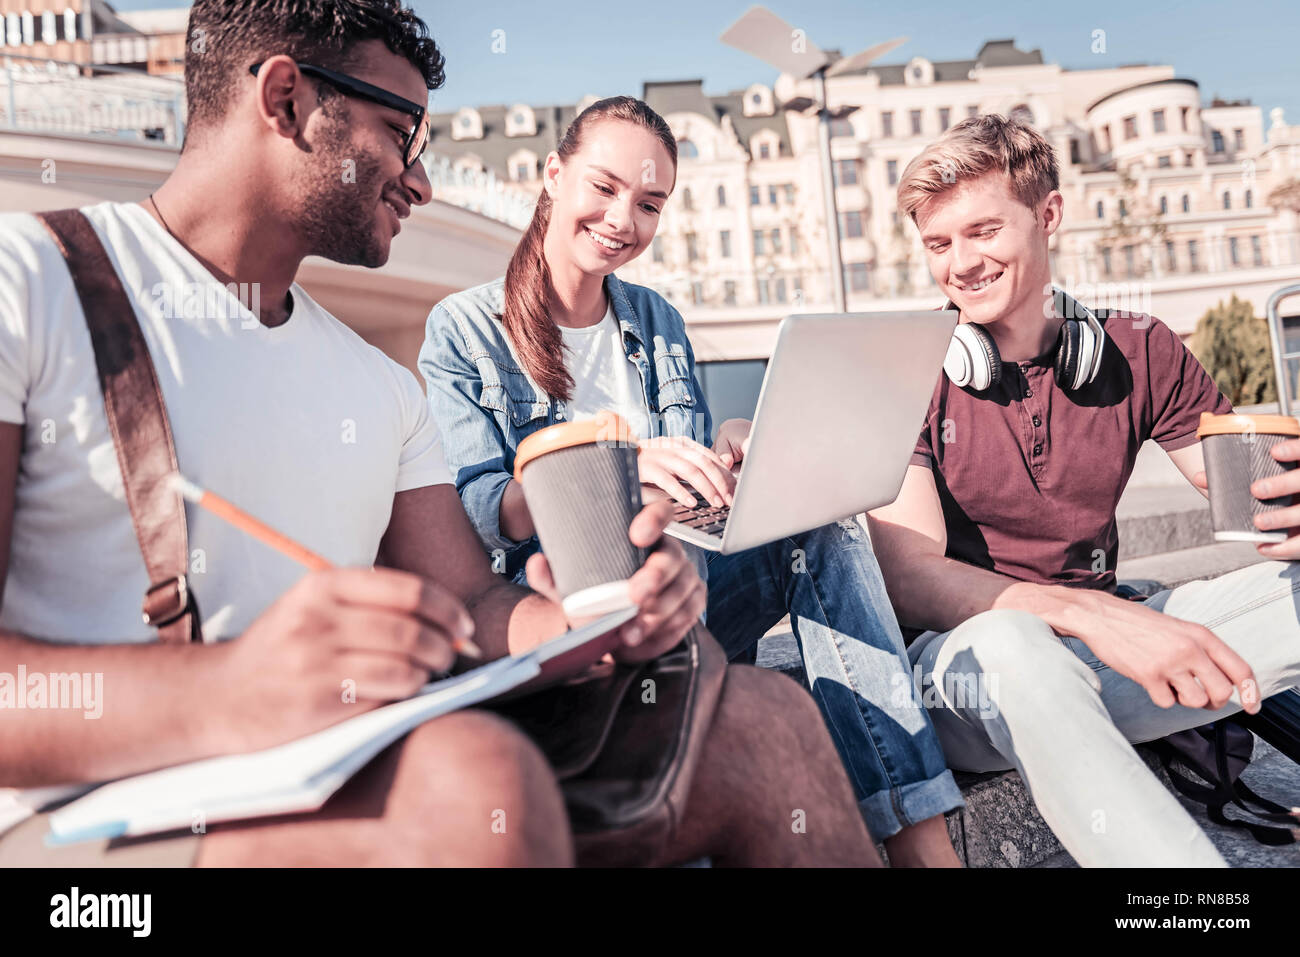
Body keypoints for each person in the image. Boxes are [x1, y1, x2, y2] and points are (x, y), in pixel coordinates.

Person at [0, 0, 880, 868]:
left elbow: (474, 606)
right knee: (473, 781)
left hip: (347, 773)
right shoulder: (28, 279)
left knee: (767, 724)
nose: (420, 180)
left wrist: (596, 624)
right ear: (285, 101)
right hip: (91, 812)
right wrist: (231, 689)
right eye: (399, 132)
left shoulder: (380, 385)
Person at [420, 96, 964, 865]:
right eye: (603, 188)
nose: (621, 219)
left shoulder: (656, 319)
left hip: (690, 588)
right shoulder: (464, 329)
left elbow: (688, 493)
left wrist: (738, 453)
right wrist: (615, 467)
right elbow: (483, 515)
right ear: (552, 175)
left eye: (648, 204)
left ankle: (919, 841)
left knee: (825, 522)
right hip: (566, 613)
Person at [866, 112, 1300, 867]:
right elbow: (910, 576)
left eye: (983, 232)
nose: (960, 263)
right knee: (1019, 646)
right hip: (967, 678)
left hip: (1109, 659)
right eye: (939, 243)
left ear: (1050, 215)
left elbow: (1252, 499)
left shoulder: (1142, 347)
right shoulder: (903, 367)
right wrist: (1103, 617)